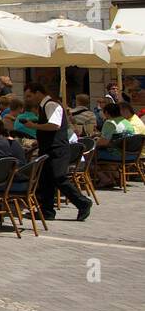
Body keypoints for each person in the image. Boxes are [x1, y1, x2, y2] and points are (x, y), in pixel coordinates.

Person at [25, 81, 92, 222]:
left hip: (57, 149)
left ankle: (82, 202)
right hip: (49, 148)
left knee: (58, 177)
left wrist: (34, 125)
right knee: (46, 180)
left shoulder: (51, 105)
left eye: (30, 95)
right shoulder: (45, 106)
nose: (28, 99)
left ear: (38, 93)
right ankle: (46, 211)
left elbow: (54, 125)